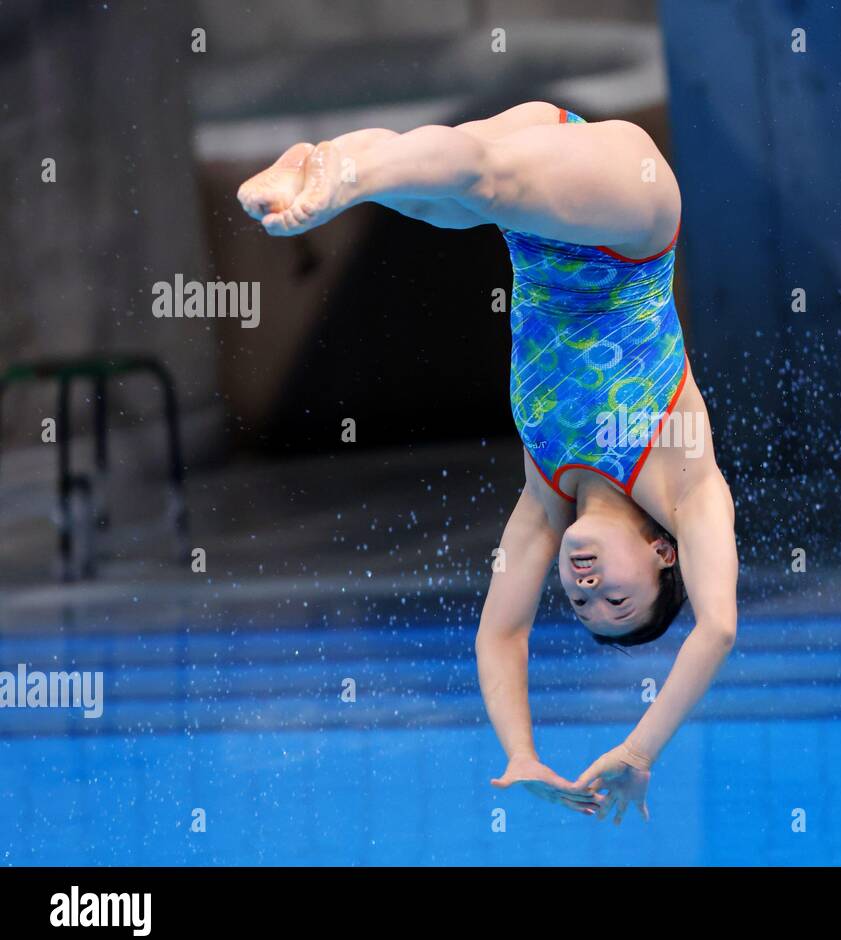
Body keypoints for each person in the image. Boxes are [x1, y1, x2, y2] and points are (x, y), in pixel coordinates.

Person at [237, 102, 737, 824]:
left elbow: (500, 633)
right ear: (666, 554)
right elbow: (717, 627)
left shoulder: (544, 498)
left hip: (541, 218)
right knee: (481, 181)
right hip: (630, 222)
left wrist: (521, 754)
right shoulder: (685, 483)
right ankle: (340, 178)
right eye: (616, 600)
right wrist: (638, 751)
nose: (589, 589)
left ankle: (322, 158)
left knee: (443, 202)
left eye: (579, 603)